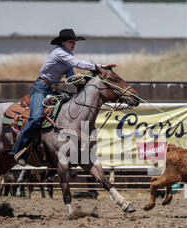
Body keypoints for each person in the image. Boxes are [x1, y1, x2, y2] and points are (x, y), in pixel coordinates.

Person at [11, 28, 117, 165]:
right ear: (63, 42)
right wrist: (99, 67)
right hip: (40, 88)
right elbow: (77, 63)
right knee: (36, 118)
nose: (73, 44)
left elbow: (71, 77)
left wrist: (86, 80)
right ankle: (18, 149)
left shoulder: (67, 55)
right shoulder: (59, 53)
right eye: (71, 42)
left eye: (74, 42)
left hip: (51, 89)